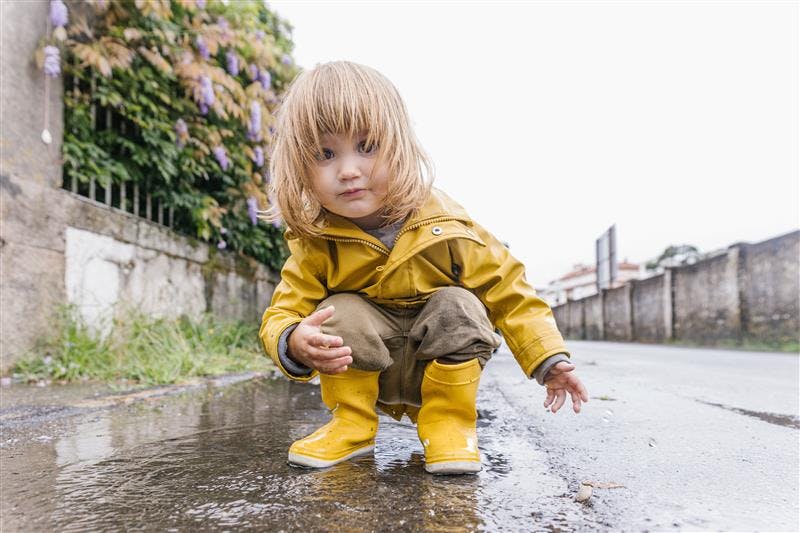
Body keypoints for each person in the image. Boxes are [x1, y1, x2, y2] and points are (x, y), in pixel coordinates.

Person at [259, 61, 588, 475]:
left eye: (367, 146)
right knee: (336, 311)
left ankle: (450, 423)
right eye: (325, 154)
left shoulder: (446, 224)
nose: (348, 171)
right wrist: (292, 341)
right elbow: (283, 313)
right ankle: (352, 425)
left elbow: (509, 290)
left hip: (436, 366)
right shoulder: (316, 244)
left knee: (460, 304)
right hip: (365, 372)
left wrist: (548, 358)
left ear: (399, 145)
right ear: (299, 167)